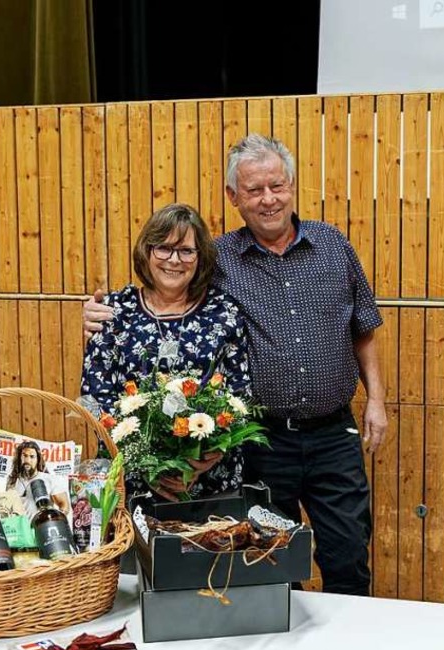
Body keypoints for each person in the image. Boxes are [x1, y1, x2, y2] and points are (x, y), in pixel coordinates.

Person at [84, 134, 386, 596]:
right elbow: (165, 284)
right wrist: (97, 314)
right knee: (270, 562)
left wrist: (377, 401)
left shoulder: (333, 245)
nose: (269, 199)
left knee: (348, 554)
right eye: (254, 190)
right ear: (234, 197)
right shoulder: (219, 257)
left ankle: (351, 641)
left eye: (277, 186)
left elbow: (363, 326)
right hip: (264, 442)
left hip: (333, 435)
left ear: (291, 185)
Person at [80, 203, 251, 501]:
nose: (174, 260)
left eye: (186, 251)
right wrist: (150, 465)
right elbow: (96, 401)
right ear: (146, 251)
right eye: (163, 248)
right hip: (132, 485)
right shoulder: (114, 311)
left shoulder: (223, 313)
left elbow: (241, 396)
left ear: (200, 258)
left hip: (211, 485)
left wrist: (208, 455)